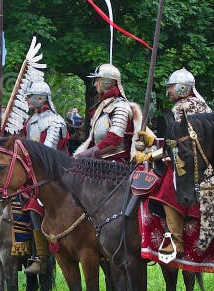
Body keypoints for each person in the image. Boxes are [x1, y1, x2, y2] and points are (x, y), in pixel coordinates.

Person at [135, 68, 214, 258]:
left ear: (183, 88)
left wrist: (149, 156)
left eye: (172, 88)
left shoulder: (184, 108)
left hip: (197, 167)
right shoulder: (197, 104)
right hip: (197, 160)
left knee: (167, 187)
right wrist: (151, 141)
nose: (169, 92)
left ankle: (176, 241)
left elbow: (177, 147)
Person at [21, 80, 69, 274]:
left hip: (55, 175)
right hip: (33, 173)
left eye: (30, 96)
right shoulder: (30, 120)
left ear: (40, 98)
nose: (27, 99)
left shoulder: (55, 121)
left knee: (35, 206)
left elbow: (46, 152)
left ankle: (41, 258)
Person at [74, 63, 137, 162]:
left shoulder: (121, 106)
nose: (95, 84)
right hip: (100, 162)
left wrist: (86, 155)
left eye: (98, 81)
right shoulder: (102, 107)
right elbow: (94, 141)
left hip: (116, 165)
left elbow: (114, 140)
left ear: (107, 82)